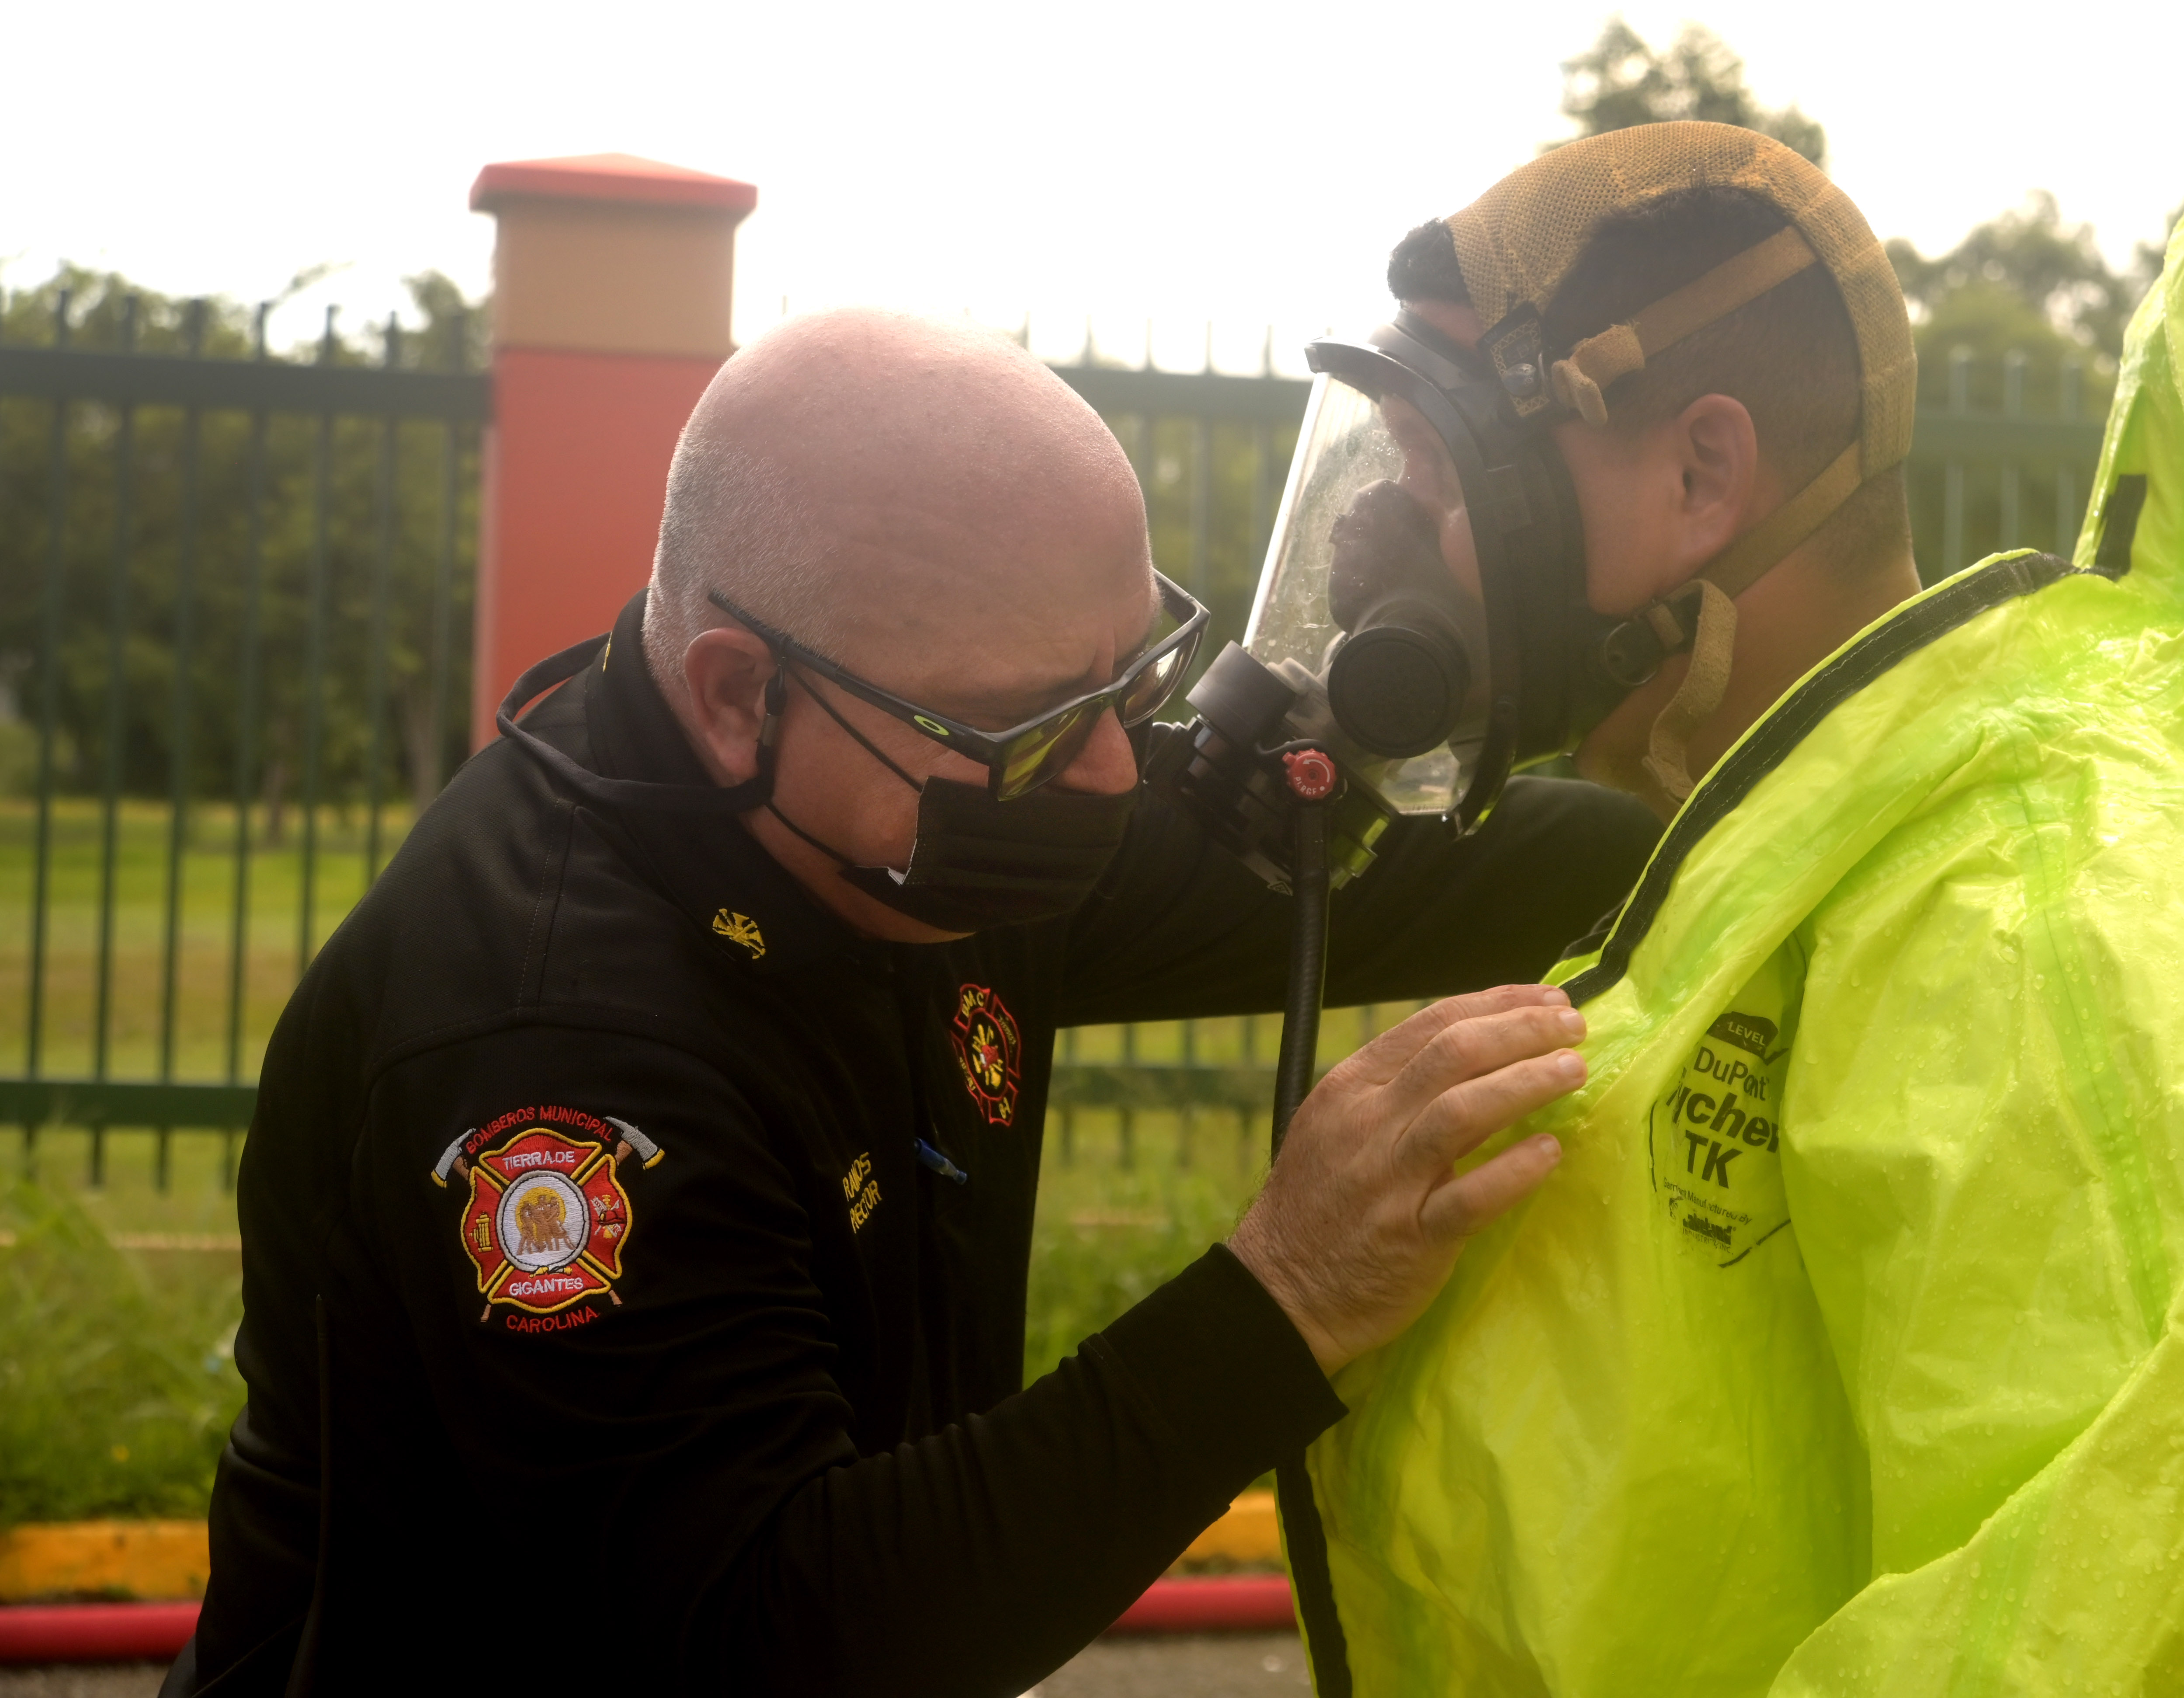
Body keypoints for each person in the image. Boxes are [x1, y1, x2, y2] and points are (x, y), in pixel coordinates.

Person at [1285, 87, 2184, 1693]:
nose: (1393, 539)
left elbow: (2112, 1620)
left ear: (1701, 477)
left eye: (1445, 475)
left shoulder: (2003, 903)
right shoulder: (1829, 849)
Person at [169, 309, 1661, 1696]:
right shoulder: (551, 1054)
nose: (1114, 777)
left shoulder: (908, 807)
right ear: (741, 694)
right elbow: (791, 1634)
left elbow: (1405, 886)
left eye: (1131, 679)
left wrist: (1717, 785)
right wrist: (1290, 1296)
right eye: (1034, 729)